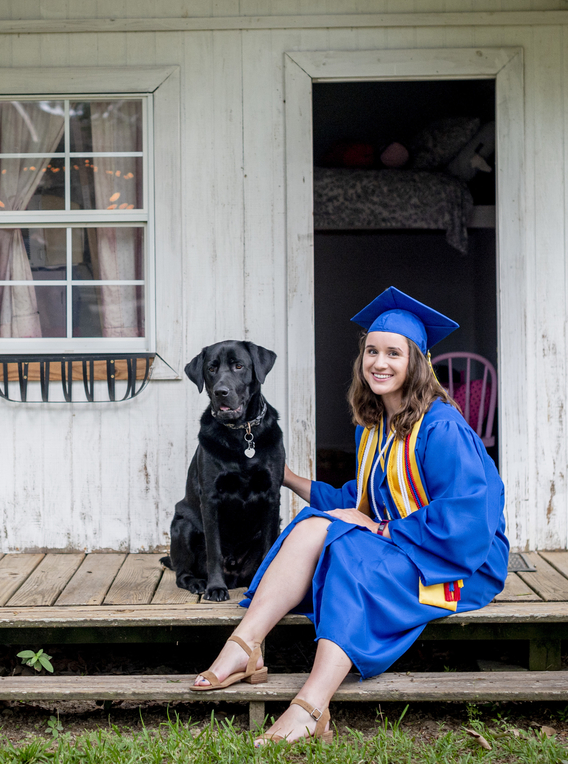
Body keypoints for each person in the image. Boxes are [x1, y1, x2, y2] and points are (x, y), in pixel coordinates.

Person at [189, 287, 510, 746]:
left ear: (416, 362)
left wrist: (379, 529)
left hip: (459, 564)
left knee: (348, 552)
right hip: (405, 544)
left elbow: (469, 520)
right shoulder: (377, 425)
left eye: (393, 353)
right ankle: (244, 648)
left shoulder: (442, 428)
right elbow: (363, 499)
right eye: (372, 351)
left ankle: (311, 705)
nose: (379, 362)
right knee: (313, 526)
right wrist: (291, 479)